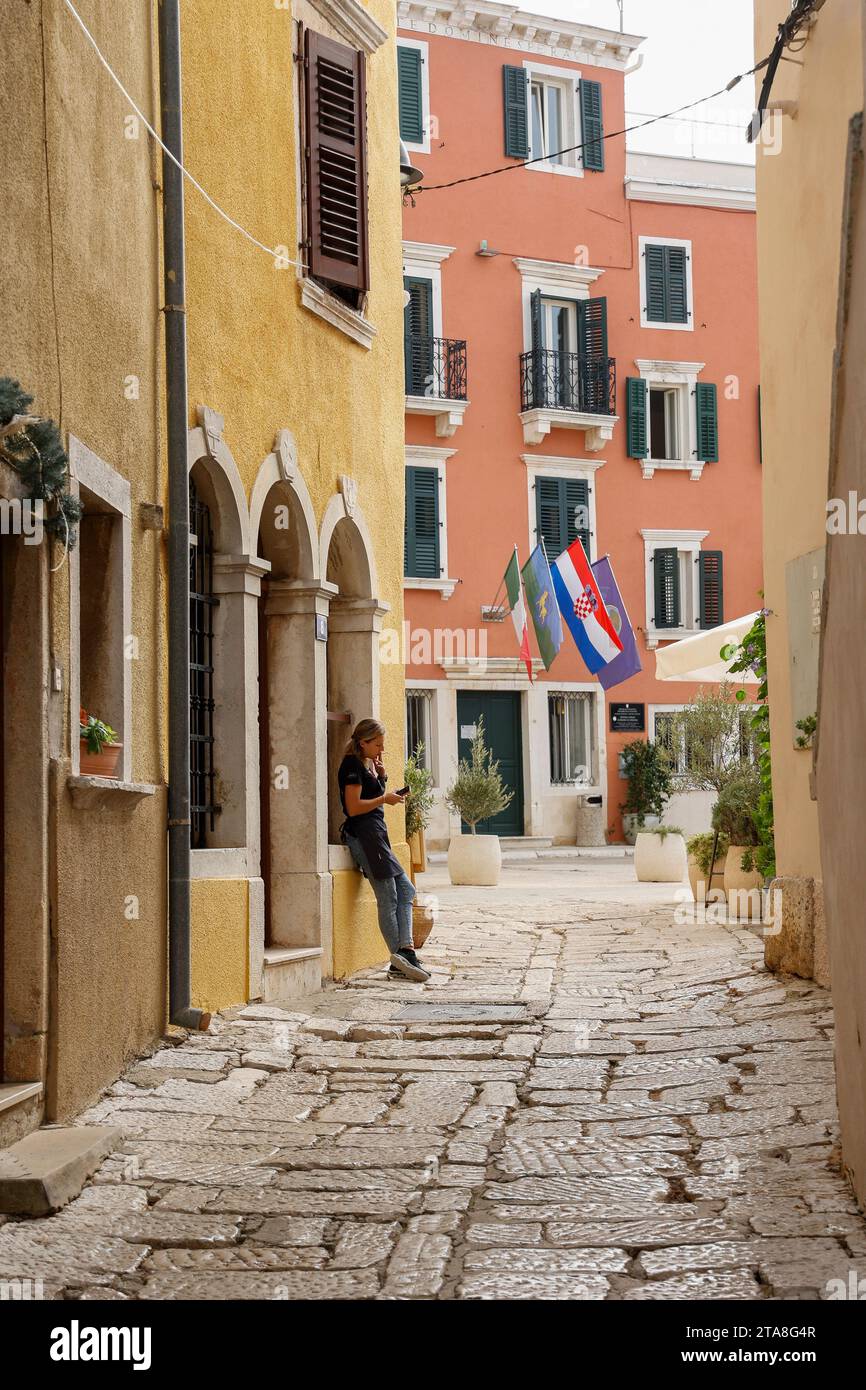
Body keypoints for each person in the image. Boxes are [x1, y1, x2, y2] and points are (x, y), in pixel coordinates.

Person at [338, 718, 430, 983]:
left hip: (377, 837)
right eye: (376, 744)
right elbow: (354, 808)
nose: (380, 749)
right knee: (388, 896)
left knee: (407, 890)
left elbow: (371, 797)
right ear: (362, 742)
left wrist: (382, 777)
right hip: (365, 837)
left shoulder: (365, 765)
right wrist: (384, 798)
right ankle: (400, 958)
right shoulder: (352, 766)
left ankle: (405, 952)